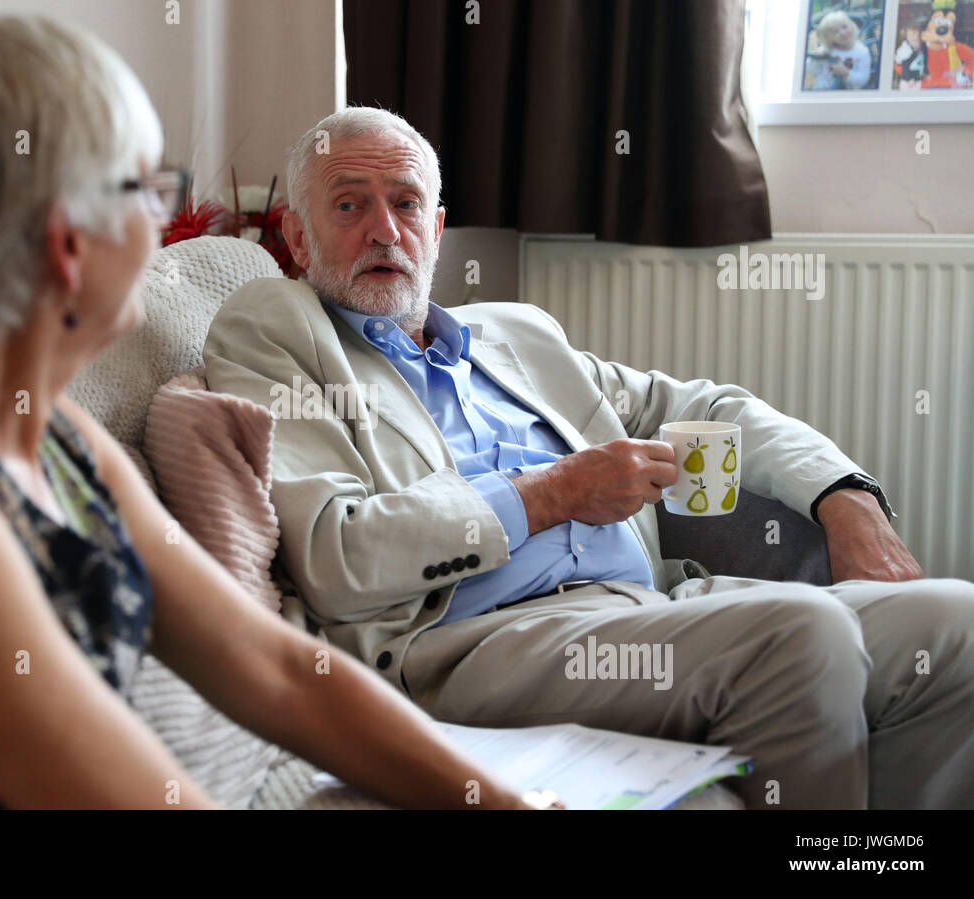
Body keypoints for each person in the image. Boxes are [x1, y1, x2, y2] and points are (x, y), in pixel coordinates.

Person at [0, 17, 548, 811]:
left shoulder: (49, 431)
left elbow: (276, 668)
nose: (167, 226)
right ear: (70, 241)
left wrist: (497, 801)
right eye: (149, 191)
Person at [202, 107, 974, 809]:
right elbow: (336, 549)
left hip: (647, 614)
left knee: (955, 621)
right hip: (472, 643)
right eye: (349, 204)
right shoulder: (278, 331)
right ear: (297, 237)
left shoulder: (515, 336)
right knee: (805, 633)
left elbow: (708, 406)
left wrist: (844, 496)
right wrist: (552, 492)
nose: (383, 229)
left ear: (435, 230)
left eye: (404, 204)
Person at [808, 10, 873, 90]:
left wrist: (846, 73)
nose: (842, 32)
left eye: (844, 27)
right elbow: (813, 70)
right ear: (828, 38)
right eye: (835, 32)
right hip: (822, 92)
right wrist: (815, 58)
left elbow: (863, 80)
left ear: (852, 26)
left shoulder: (862, 52)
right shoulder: (828, 50)